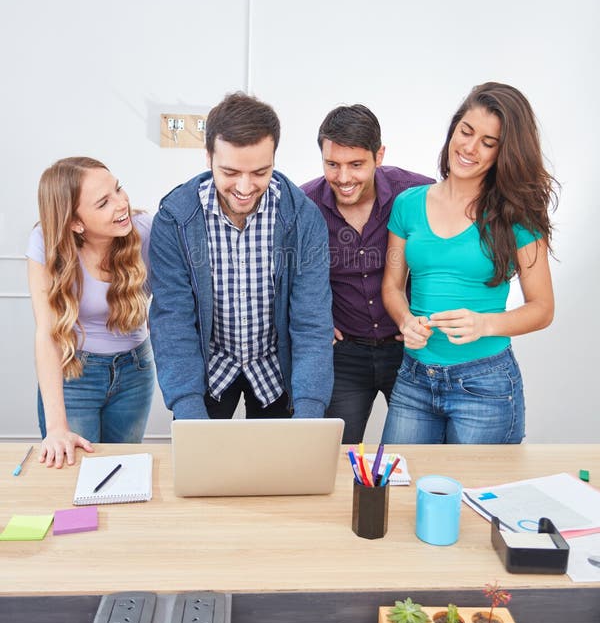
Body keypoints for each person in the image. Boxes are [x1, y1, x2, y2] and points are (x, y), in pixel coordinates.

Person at [381, 82, 558, 445]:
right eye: (466, 131)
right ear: (453, 129)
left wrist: (485, 324)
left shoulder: (516, 217)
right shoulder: (408, 204)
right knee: (397, 494)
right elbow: (392, 285)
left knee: (474, 500)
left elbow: (542, 308)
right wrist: (404, 320)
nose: (469, 148)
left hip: (485, 383)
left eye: (488, 143)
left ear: (502, 153)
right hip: (414, 378)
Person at [149, 91, 333, 420]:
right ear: (208, 157)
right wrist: (189, 409)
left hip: (276, 374)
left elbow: (311, 323)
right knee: (204, 470)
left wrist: (309, 414)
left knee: (277, 471)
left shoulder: (302, 218)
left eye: (260, 172)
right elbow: (173, 321)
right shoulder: (175, 219)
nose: (245, 187)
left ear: (274, 159)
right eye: (231, 172)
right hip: (208, 372)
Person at [302, 104, 433, 443]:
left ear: (379, 155)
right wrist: (311, 316)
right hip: (343, 354)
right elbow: (280, 274)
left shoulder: (419, 194)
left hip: (410, 351)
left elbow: (445, 257)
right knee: (333, 457)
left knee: (419, 457)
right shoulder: (305, 204)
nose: (343, 178)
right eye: (333, 164)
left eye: (356, 165)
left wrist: (419, 315)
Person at [26, 157, 155, 468]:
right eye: (103, 202)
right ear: (75, 222)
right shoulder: (45, 242)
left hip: (135, 372)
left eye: (118, 189)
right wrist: (57, 427)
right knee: (73, 473)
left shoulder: (144, 230)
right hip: (75, 375)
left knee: (118, 474)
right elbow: (46, 333)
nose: (122, 203)